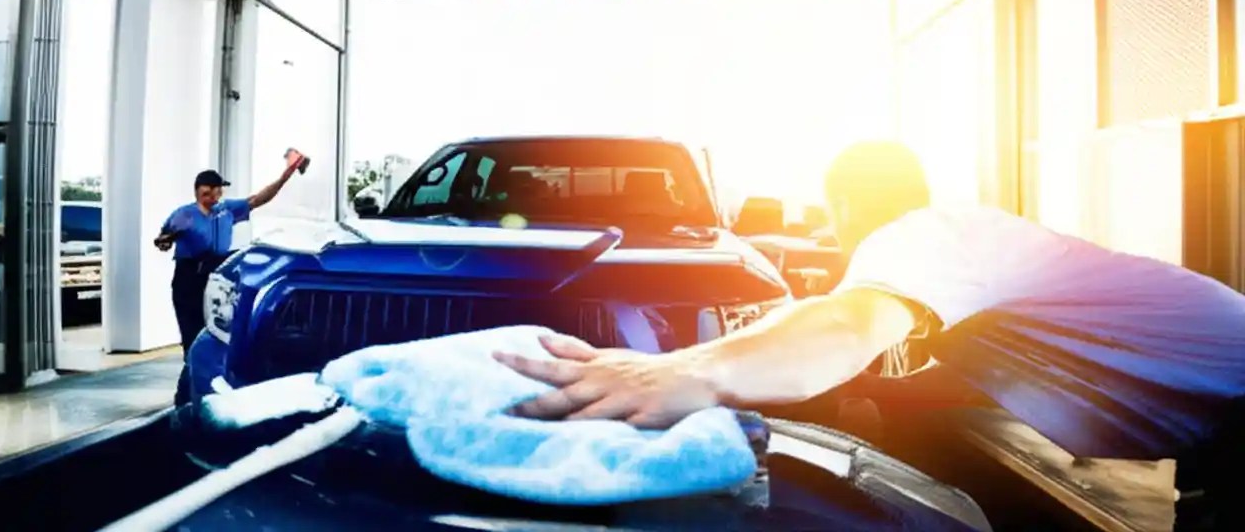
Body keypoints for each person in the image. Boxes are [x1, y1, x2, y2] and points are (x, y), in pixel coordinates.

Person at [495, 140, 1245, 465]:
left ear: (845, 203)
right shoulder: (970, 253)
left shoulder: (927, 235)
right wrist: (860, 395)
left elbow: (844, 325)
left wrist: (687, 370)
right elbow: (954, 378)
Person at [156, 159, 306, 405]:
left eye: (218, 190)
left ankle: (206, 392)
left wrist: (285, 176)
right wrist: (166, 238)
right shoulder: (184, 214)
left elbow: (258, 199)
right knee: (193, 339)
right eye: (211, 190)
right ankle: (185, 397)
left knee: (219, 336)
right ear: (200, 191)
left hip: (216, 277)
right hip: (189, 279)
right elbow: (163, 242)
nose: (216, 195)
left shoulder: (226, 210)